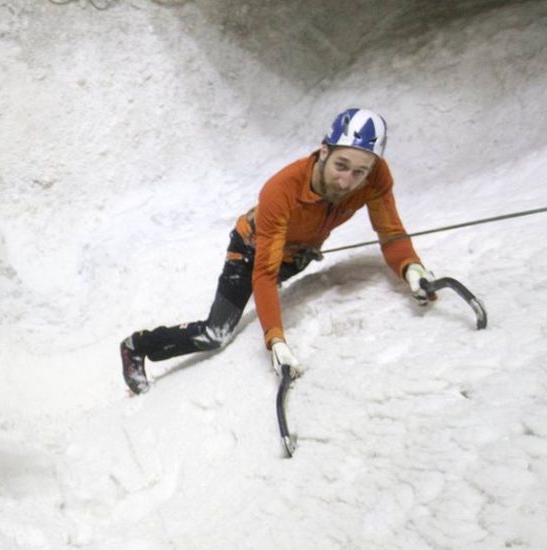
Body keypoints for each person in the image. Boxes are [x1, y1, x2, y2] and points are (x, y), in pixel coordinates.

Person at [120, 108, 437, 394]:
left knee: (271, 300)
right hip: (251, 252)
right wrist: (276, 340)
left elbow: (391, 232)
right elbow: (265, 272)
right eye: (341, 165)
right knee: (217, 333)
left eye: (360, 172)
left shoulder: (376, 178)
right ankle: (138, 345)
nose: (347, 181)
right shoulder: (281, 189)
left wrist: (411, 268)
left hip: (296, 255)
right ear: (324, 151)